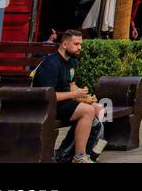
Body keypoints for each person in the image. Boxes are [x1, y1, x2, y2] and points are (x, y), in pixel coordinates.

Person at [32, 29, 105, 164]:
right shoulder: (51, 64)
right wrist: (75, 95)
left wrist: (85, 96)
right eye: (76, 44)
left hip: (64, 102)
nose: (79, 48)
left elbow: (71, 85)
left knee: (99, 109)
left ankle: (87, 153)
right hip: (47, 106)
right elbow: (48, 95)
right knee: (87, 111)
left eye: (81, 44)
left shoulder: (71, 61)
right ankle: (79, 157)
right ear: (65, 44)